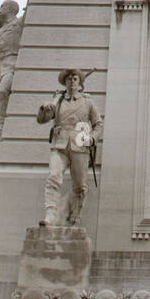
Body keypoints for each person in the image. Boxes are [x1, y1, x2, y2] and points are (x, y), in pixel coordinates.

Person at [37, 69, 102, 227]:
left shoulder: (88, 102)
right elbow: (41, 120)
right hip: (60, 144)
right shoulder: (57, 101)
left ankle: (74, 217)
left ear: (80, 82)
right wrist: (44, 108)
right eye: (68, 79)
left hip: (80, 145)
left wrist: (92, 139)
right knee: (53, 177)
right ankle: (50, 214)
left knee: (79, 186)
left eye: (74, 78)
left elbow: (98, 124)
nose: (71, 81)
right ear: (64, 82)